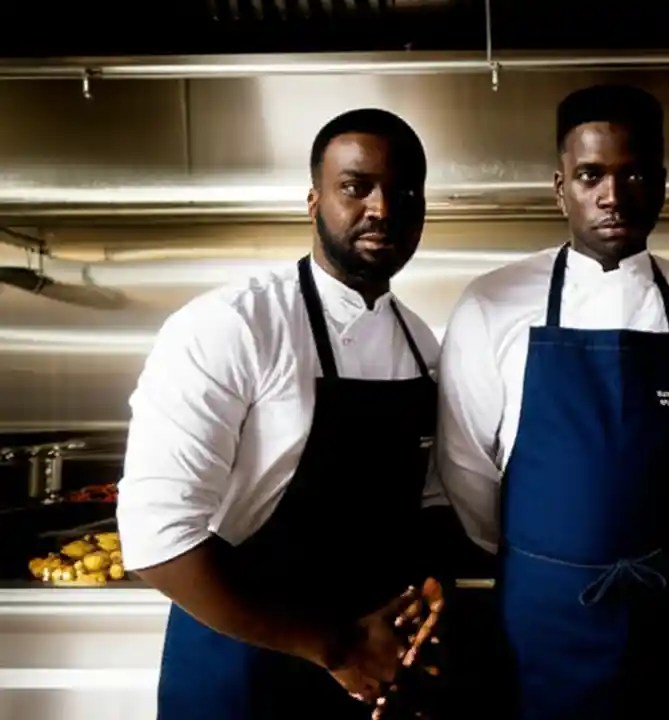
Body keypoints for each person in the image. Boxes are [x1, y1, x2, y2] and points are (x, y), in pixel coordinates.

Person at [436, 84, 669, 719]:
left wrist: (660, 538)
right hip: (541, 611)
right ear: (561, 187)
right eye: (590, 175)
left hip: (667, 605)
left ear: (660, 184)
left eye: (633, 174)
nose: (612, 195)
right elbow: (466, 464)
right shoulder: (492, 304)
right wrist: (547, 550)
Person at [117, 108, 447, 719]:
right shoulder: (231, 326)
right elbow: (156, 539)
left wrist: (417, 599)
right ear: (314, 201)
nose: (383, 208)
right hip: (242, 670)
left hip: (372, 673)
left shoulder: (423, 347)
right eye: (356, 187)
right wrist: (337, 646)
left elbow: (425, 501)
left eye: (403, 191)